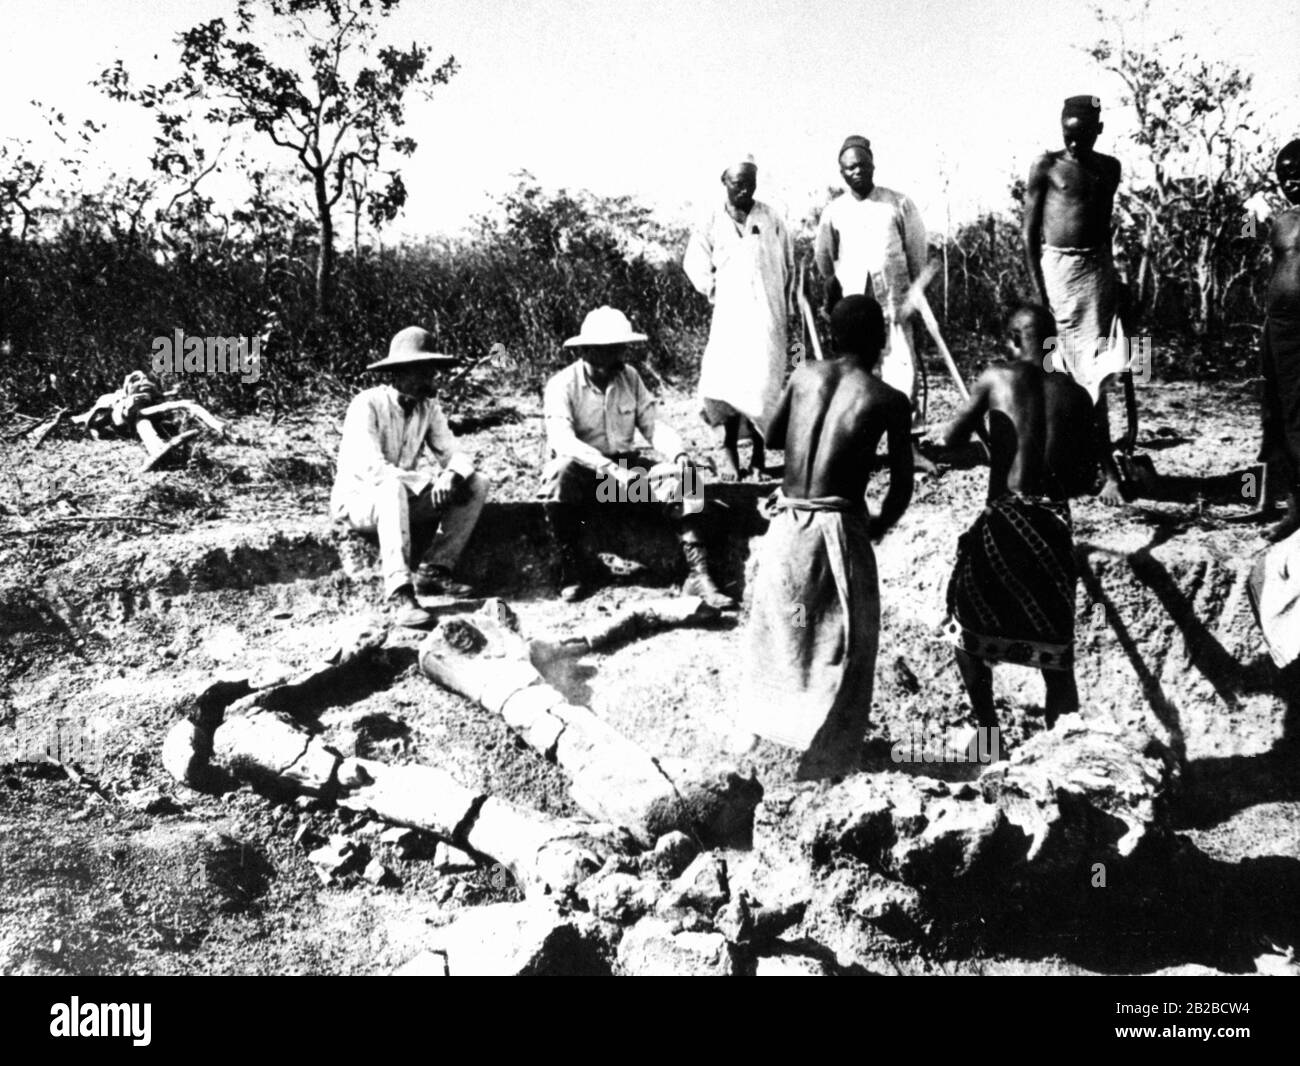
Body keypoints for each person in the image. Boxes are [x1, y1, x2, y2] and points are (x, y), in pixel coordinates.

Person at [733, 295, 913, 779]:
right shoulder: (888, 399)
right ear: (881, 340)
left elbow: (769, 437)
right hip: (838, 525)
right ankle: (833, 756)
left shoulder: (804, 375)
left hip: (787, 525)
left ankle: (774, 740)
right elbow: (901, 488)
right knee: (852, 639)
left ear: (832, 337)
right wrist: (877, 526)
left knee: (782, 630)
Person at [932, 304, 1099, 729]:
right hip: (1053, 530)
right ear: (1054, 344)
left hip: (1005, 523)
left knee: (965, 635)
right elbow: (1082, 478)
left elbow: (950, 440)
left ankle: (989, 735)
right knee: (1056, 658)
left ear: (1010, 340)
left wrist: (991, 445)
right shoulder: (1078, 395)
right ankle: (1063, 745)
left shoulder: (996, 377)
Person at [541, 305, 733, 607]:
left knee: (688, 481)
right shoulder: (561, 385)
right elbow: (563, 440)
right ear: (587, 351)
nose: (619, 356)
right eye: (610, 350)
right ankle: (571, 569)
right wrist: (608, 468)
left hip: (623, 482)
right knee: (559, 474)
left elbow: (652, 424)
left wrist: (679, 454)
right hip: (588, 479)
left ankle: (698, 575)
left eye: (620, 348)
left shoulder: (629, 377)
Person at [330, 326, 489, 628]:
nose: (428, 380)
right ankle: (401, 593)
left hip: (404, 499)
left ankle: (435, 569)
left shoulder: (428, 408)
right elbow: (371, 469)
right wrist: (429, 482)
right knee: (391, 487)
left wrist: (451, 475)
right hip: (360, 502)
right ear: (398, 373)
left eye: (430, 371)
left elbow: (455, 451)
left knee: (477, 483)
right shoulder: (366, 405)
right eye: (420, 371)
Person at [1023, 94, 1132, 504]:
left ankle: (1105, 472)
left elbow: (1103, 228)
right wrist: (1040, 295)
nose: (1073, 145)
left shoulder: (1109, 168)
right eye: (1067, 136)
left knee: (1096, 375)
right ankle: (1060, 466)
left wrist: (1116, 279)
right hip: (1058, 274)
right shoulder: (1046, 166)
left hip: (1097, 274)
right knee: (1054, 369)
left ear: (1097, 131)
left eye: (1082, 136)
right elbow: (1029, 235)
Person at [814, 134, 932, 470]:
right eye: (850, 168)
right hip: (854, 310)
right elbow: (824, 259)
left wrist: (915, 298)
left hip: (895, 304)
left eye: (862, 165)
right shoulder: (833, 212)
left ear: (873, 165)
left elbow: (917, 252)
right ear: (841, 172)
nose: (857, 172)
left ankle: (907, 447)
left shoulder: (898, 203)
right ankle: (855, 449)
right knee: (856, 377)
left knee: (902, 371)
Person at [683, 154, 794, 480]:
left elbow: (787, 264)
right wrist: (713, 288)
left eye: (750, 182)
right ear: (724, 183)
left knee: (762, 389)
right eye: (737, 183)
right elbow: (694, 262)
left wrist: (786, 306)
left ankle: (759, 459)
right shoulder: (711, 219)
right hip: (730, 318)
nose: (745, 189)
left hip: (768, 317)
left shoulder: (770, 217)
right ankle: (729, 456)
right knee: (722, 385)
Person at [1259, 138, 1300, 542]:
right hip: (1278, 327)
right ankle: (1293, 509)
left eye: (1298, 173)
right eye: (1285, 176)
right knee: (1277, 416)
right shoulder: (1283, 221)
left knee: (1299, 417)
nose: (1292, 182)